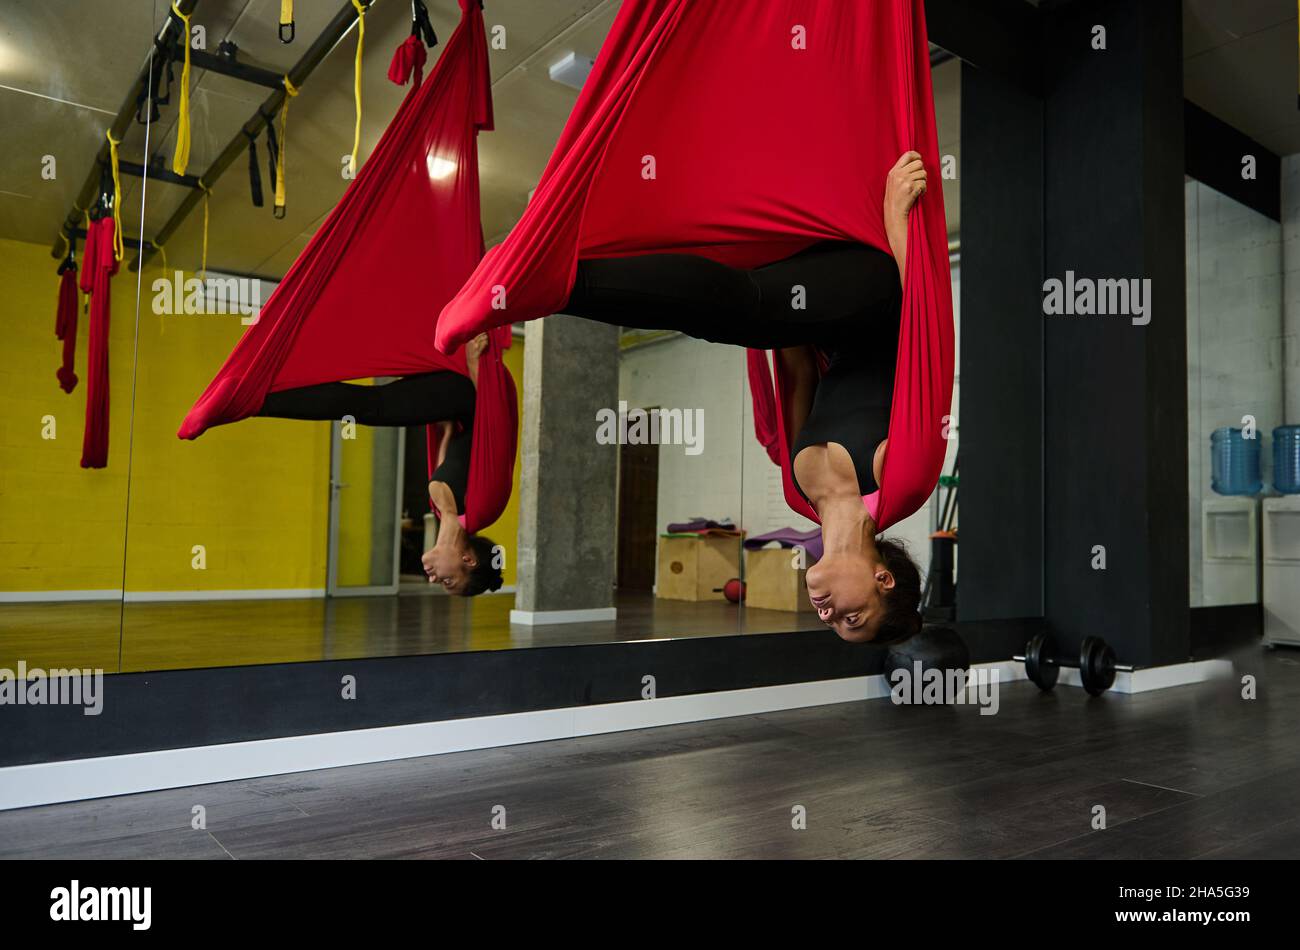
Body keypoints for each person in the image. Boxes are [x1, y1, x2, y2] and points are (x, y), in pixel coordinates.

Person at [559, 152, 930, 643]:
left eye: (836, 625)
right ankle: (561, 282)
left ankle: (567, 276)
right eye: (851, 617)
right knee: (743, 308)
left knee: (743, 310)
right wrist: (897, 222)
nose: (828, 616)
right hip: (881, 299)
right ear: (883, 580)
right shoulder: (898, 483)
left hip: (826, 315)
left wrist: (773, 260)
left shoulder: (802, 498)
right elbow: (922, 343)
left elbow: (797, 370)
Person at [257, 332, 504, 596]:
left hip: (450, 405)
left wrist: (440, 424)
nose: (434, 580)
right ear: (468, 560)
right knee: (369, 407)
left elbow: (450, 442)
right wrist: (476, 366)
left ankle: (266, 390)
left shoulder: (443, 510)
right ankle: (261, 398)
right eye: (448, 581)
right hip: (465, 395)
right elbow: (495, 432)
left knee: (368, 404)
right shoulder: (483, 507)